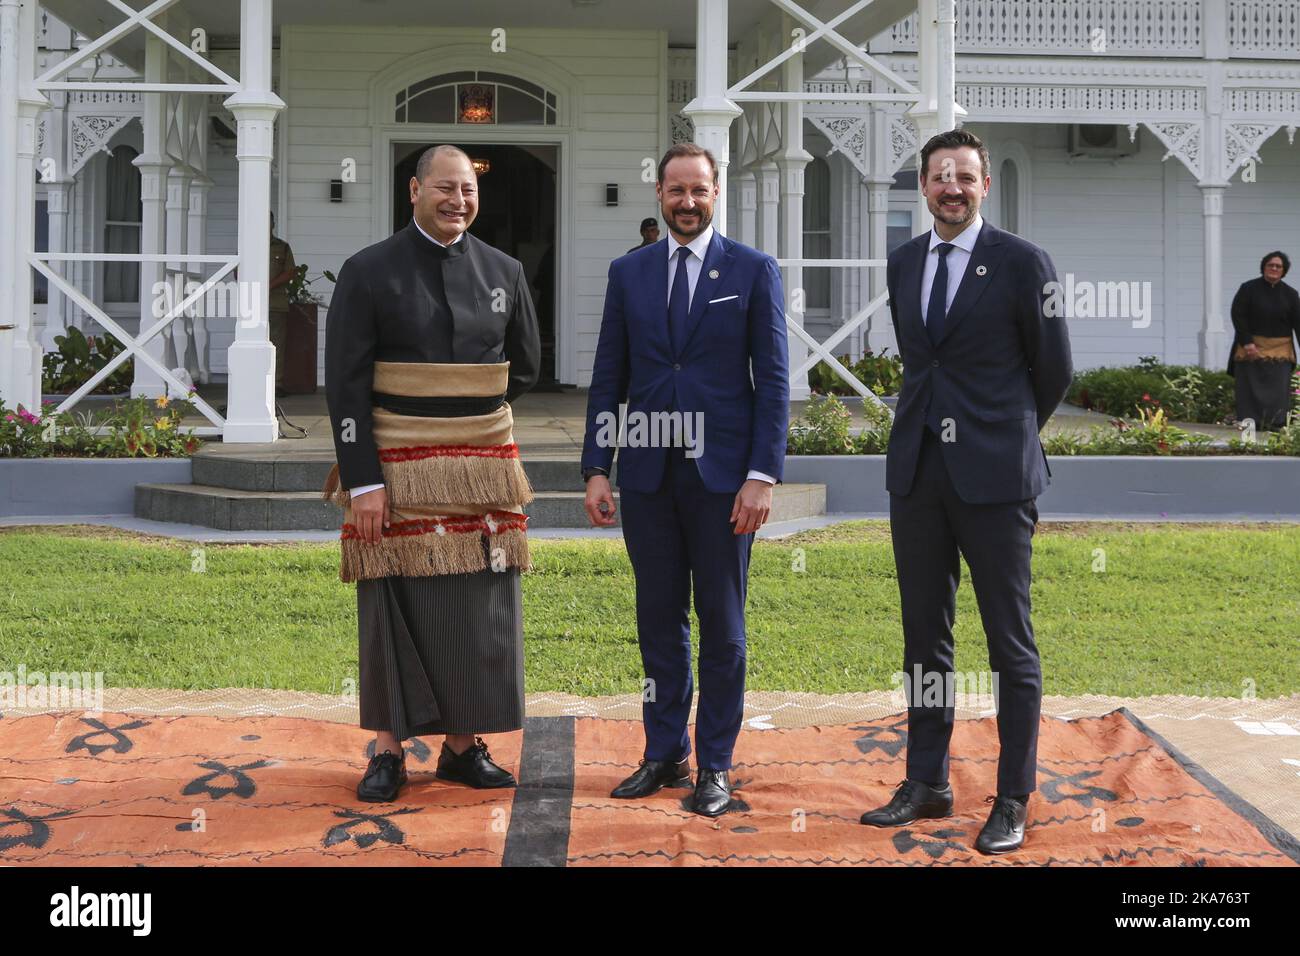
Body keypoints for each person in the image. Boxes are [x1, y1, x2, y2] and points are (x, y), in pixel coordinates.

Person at [858, 129, 1072, 854]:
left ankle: (1013, 795)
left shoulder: (1022, 263)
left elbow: (1055, 371)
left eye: (965, 177)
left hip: (996, 480)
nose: (952, 188)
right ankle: (928, 781)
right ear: (922, 187)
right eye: (939, 177)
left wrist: (1003, 436)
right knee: (926, 639)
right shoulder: (904, 262)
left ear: (985, 185)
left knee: (1010, 645)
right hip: (918, 475)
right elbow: (927, 362)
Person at [323, 144, 540, 803]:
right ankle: (387, 751)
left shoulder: (504, 270)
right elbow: (346, 387)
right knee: (392, 601)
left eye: (469, 190)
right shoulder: (367, 272)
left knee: (480, 602)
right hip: (391, 469)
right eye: (445, 187)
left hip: (483, 471)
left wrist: (463, 426)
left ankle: (463, 747)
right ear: (414, 189)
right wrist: (364, 480)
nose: (458, 200)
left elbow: (524, 368)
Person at [581, 144, 789, 817]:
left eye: (698, 189)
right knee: (658, 619)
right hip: (646, 474)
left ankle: (716, 766)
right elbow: (608, 376)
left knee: (722, 626)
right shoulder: (628, 272)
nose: (687, 201)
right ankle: (664, 752)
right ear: (660, 196)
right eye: (676, 190)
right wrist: (595, 467)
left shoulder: (753, 271)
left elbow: (775, 381)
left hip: (724, 479)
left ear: (716, 192)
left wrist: (761, 475)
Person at [1229, 251, 1300, 431]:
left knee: (1278, 390)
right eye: (1271, 265)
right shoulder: (1247, 289)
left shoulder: (1291, 294)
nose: (1274, 269)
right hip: (1250, 348)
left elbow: (1298, 323)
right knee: (1249, 388)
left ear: (1284, 270)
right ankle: (1249, 424)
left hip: (1281, 351)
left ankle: (1275, 424)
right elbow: (1238, 316)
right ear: (1264, 267)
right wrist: (1247, 343)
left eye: (1278, 266)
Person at [268, 212, 296, 399]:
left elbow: (290, 272)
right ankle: (253, 383)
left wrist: (268, 286)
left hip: (276, 302)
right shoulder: (248, 245)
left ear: (273, 223)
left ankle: (275, 385)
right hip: (252, 305)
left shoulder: (282, 247)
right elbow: (238, 273)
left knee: (277, 344)